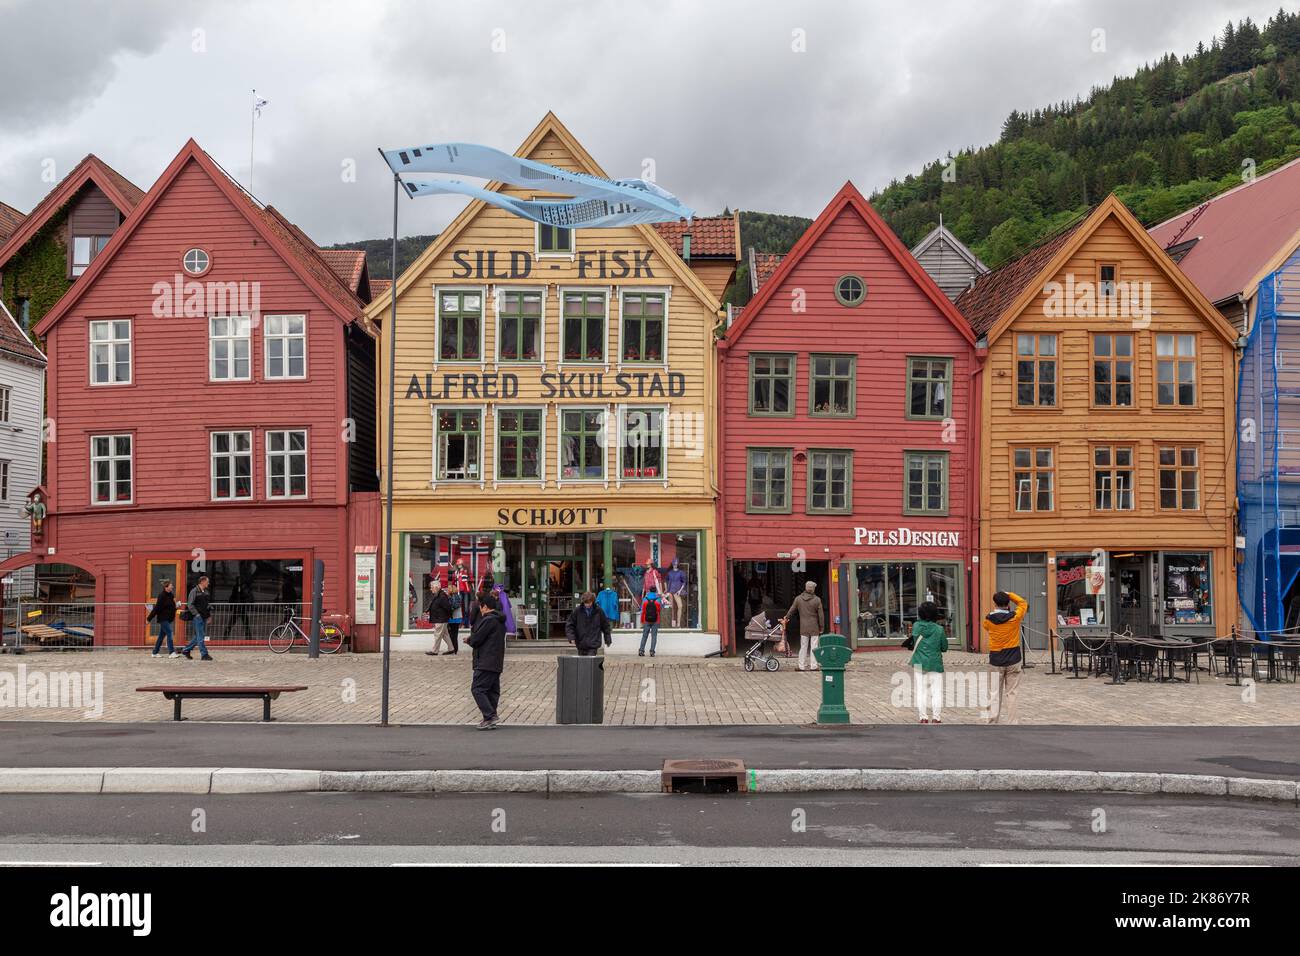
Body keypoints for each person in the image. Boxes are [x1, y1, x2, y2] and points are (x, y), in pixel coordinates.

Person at [982, 591, 1028, 725]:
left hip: (996, 659)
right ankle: (1012, 722)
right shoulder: (1015, 617)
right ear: (1008, 604)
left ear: (994, 603)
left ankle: (992, 720)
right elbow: (1023, 603)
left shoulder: (988, 620)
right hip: (1013, 658)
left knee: (994, 692)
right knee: (1012, 693)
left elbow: (986, 628)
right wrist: (1010, 594)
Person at [466, 592, 506, 730]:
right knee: (492, 690)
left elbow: (477, 639)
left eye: (481, 608)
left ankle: (489, 716)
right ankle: (490, 717)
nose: (480, 611)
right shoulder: (500, 621)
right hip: (496, 661)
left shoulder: (489, 620)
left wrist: (469, 640)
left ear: (485, 607)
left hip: (485, 660)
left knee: (477, 688)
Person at [910, 601, 949, 724]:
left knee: (921, 691)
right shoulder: (939, 629)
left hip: (919, 662)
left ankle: (923, 717)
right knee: (936, 692)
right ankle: (936, 717)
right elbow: (944, 647)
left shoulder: (916, 626)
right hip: (935, 663)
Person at [782, 580, 825, 672]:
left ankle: (801, 666)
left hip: (803, 626)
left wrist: (786, 617)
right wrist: (822, 627)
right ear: (813, 589)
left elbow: (792, 609)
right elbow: (821, 616)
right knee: (814, 646)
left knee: (803, 646)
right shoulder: (817, 600)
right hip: (814, 627)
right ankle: (814, 666)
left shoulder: (798, 599)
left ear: (805, 588)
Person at [566, 591, 611, 656]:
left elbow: (605, 625)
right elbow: (570, 624)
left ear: (592, 601)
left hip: (593, 643)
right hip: (581, 642)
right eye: (585, 603)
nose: (587, 605)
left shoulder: (599, 611)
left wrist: (607, 639)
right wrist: (571, 637)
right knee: (582, 663)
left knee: (590, 662)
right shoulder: (577, 611)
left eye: (589, 603)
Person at [180, 575, 214, 661]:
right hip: (197, 617)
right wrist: (196, 614)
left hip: (204, 616)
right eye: (207, 581)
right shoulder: (194, 591)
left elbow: (207, 605)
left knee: (198, 636)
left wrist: (209, 615)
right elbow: (190, 604)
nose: (208, 583)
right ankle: (204, 654)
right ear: (202, 582)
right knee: (200, 636)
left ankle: (186, 650)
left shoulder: (205, 591)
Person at [147, 579, 179, 658]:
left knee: (161, 636)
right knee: (170, 633)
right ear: (166, 587)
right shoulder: (161, 596)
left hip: (168, 619)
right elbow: (157, 608)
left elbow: (171, 607)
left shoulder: (171, 595)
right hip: (163, 618)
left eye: (172, 586)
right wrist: (149, 618)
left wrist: (176, 607)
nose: (172, 587)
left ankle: (154, 652)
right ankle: (171, 652)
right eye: (171, 586)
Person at [424, 578, 453, 656]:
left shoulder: (442, 596)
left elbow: (447, 607)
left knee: (437, 635)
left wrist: (448, 616)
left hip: (441, 619)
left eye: (432, 587)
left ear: (436, 587)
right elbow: (433, 605)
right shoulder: (438, 595)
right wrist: (427, 610)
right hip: (439, 618)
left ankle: (435, 651)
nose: (431, 589)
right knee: (445, 634)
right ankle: (451, 649)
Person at [639, 586, 663, 657]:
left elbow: (642, 610)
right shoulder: (658, 599)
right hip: (656, 620)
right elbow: (660, 609)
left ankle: (641, 650)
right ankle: (652, 651)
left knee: (644, 636)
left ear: (649, 590)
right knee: (654, 636)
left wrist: (641, 620)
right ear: (655, 591)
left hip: (646, 620)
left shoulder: (645, 599)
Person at [665, 559, 687, 627]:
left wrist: (680, 590)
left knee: (680, 606)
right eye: (674, 564)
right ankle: (672, 623)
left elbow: (684, 582)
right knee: (671, 607)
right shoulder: (669, 572)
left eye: (676, 564)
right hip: (670, 591)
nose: (675, 565)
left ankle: (678, 623)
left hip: (677, 591)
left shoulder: (681, 572)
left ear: (678, 564)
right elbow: (665, 580)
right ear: (672, 564)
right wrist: (666, 590)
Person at [447, 586, 463, 654]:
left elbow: (452, 606)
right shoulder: (459, 596)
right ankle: (455, 649)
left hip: (452, 618)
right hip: (458, 617)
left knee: (451, 635)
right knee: (455, 635)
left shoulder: (451, 597)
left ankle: (452, 649)